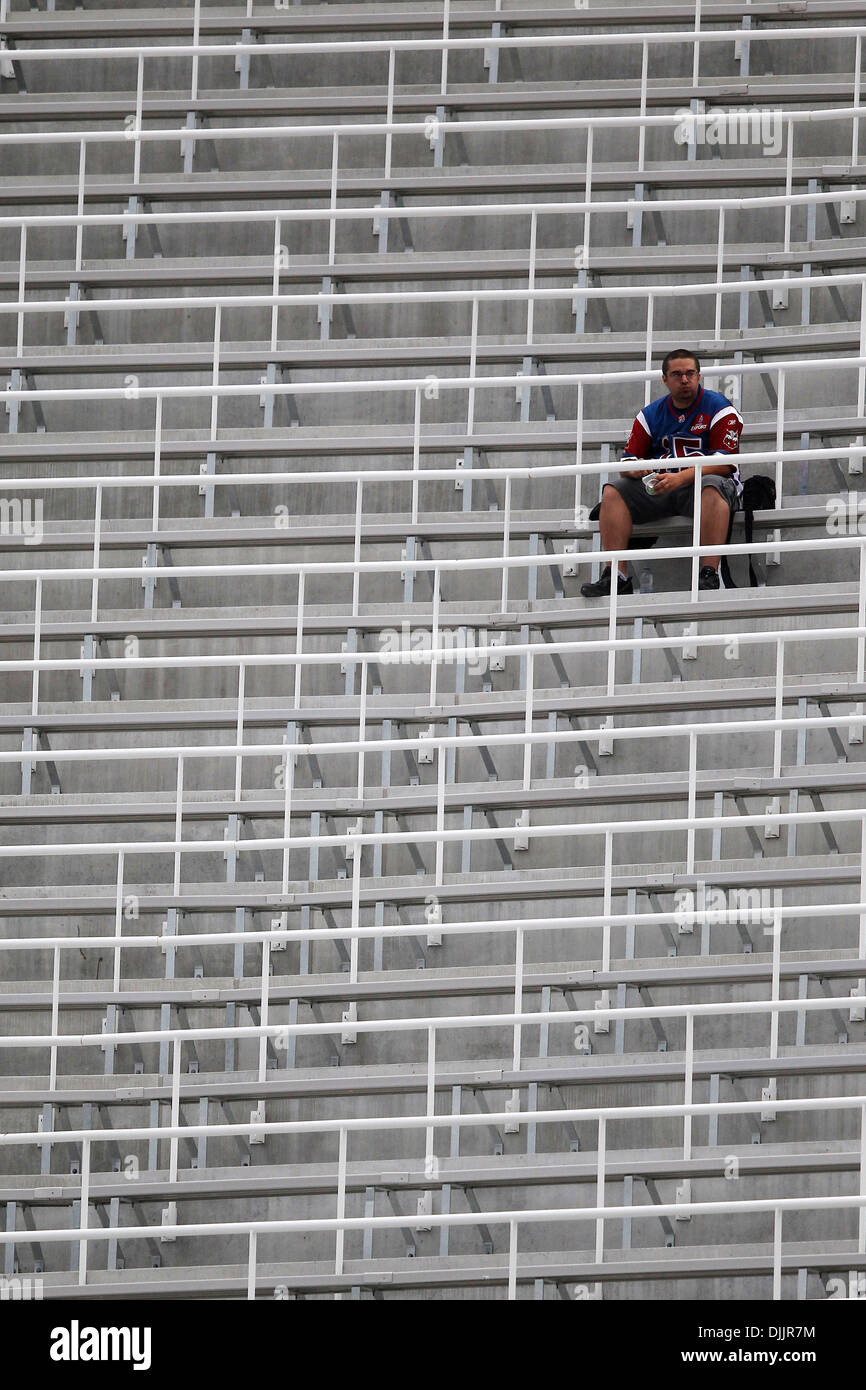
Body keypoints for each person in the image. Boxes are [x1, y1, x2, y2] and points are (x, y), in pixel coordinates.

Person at [581, 350, 743, 596]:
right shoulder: (650, 414)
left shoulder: (720, 408)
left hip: (703, 487)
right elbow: (626, 461)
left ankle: (709, 573)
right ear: (665, 379)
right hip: (663, 486)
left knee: (711, 485)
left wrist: (681, 477)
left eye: (690, 373)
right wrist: (638, 470)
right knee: (613, 491)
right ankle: (616, 576)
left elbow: (725, 463)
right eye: (677, 374)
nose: (684, 379)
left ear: (699, 376)